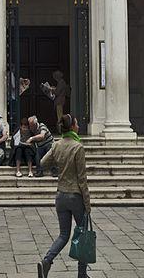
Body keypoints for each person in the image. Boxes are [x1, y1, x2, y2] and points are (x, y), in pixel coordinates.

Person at [38, 114, 91, 278]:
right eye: (77, 123)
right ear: (73, 126)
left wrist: (58, 165)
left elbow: (42, 162)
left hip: (61, 195)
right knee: (82, 234)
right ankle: (82, 274)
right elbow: (82, 178)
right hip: (75, 195)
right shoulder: (77, 147)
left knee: (63, 235)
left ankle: (47, 260)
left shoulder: (57, 145)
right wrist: (87, 203)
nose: (78, 126)